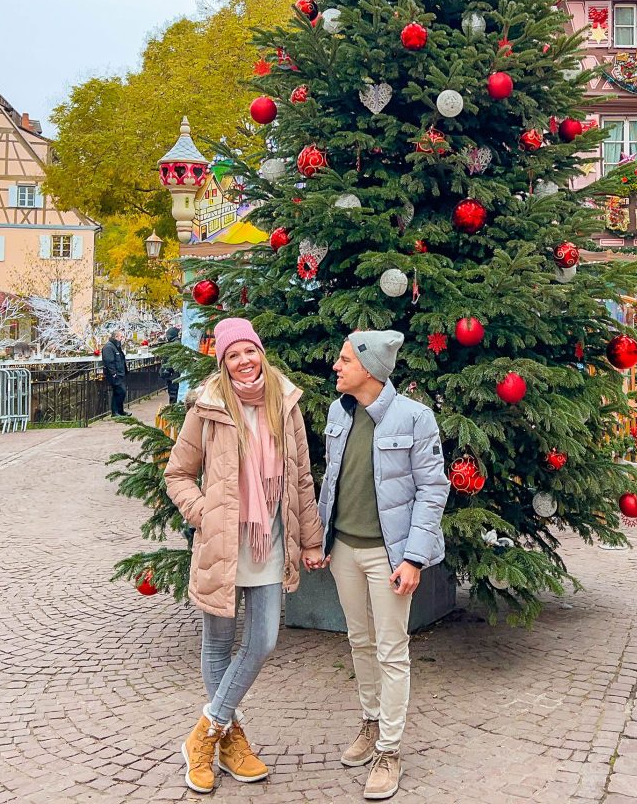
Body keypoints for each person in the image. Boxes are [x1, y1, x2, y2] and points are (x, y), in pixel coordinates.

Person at [164, 319, 325, 792]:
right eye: (233, 355)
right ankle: (230, 742)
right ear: (223, 361)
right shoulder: (207, 407)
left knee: (263, 641)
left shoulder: (285, 403)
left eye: (249, 351)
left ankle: (204, 732)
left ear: (261, 350)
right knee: (217, 642)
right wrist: (205, 513)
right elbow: (177, 473)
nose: (244, 361)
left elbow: (301, 478)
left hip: (271, 540)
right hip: (224, 543)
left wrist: (311, 540)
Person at [318, 330, 449, 801]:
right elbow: (331, 482)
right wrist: (321, 537)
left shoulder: (415, 417)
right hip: (345, 553)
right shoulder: (339, 411)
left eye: (344, 360)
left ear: (370, 370)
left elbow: (434, 489)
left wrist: (414, 557)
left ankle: (389, 751)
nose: (336, 366)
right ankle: (370, 723)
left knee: (392, 651)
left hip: (390, 557)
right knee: (359, 641)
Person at [101, 329, 129, 417]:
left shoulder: (116, 346)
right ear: (116, 337)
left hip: (120, 373)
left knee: (120, 392)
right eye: (121, 336)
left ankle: (120, 411)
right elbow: (109, 361)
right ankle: (115, 412)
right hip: (114, 375)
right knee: (120, 391)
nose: (122, 338)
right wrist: (114, 374)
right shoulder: (109, 347)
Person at [161, 324, 183, 404]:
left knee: (173, 394)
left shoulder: (172, 346)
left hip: (173, 375)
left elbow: (169, 361)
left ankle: (173, 409)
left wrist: (165, 371)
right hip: (177, 373)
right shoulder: (180, 343)